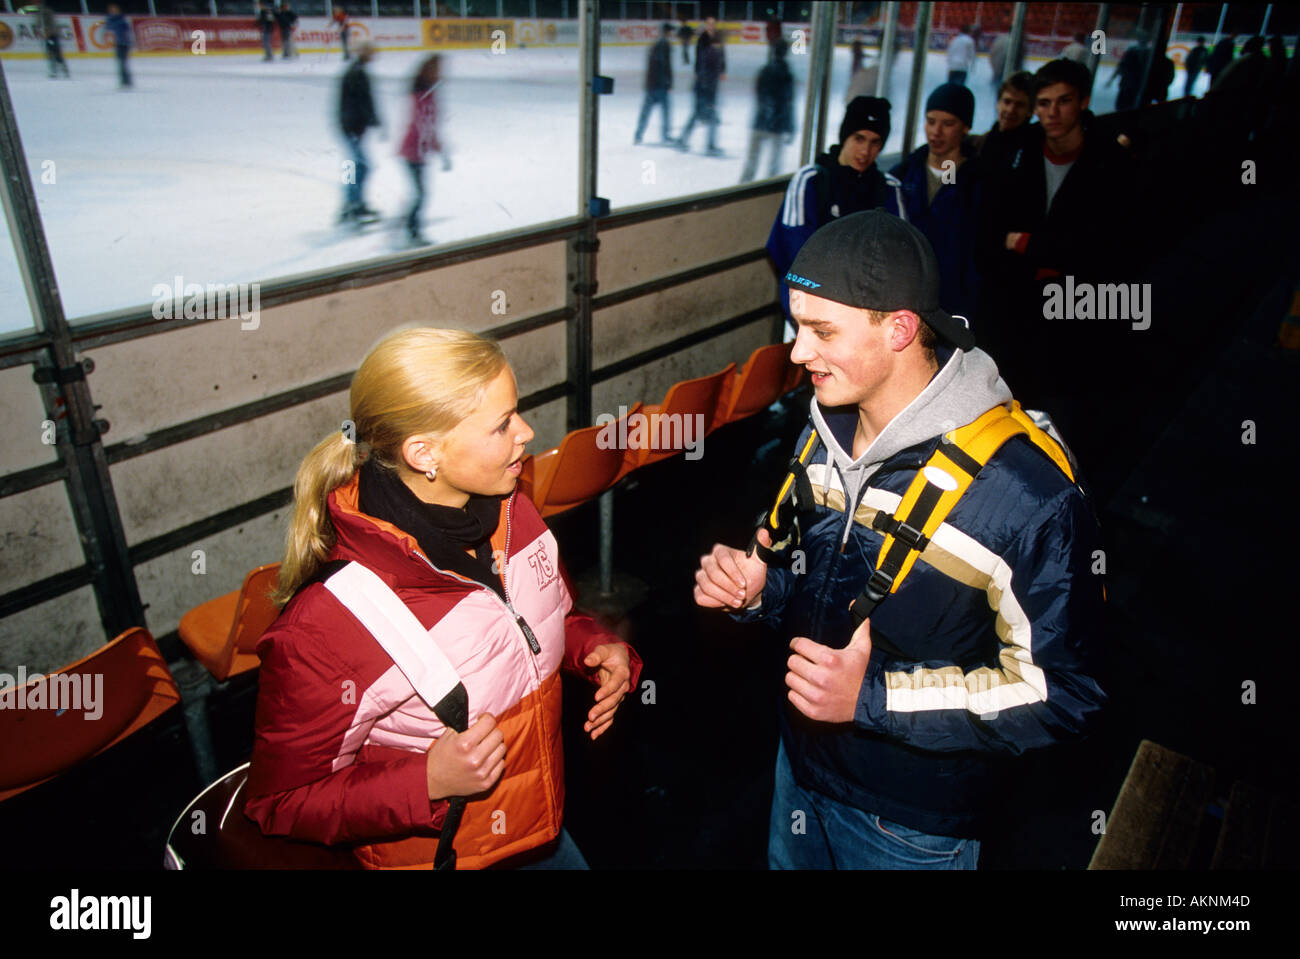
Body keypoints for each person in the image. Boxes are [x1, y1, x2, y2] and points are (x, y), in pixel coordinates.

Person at [694, 210, 1106, 870]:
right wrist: (757, 588)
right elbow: (815, 581)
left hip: (907, 822)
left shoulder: (1027, 495)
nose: (798, 352)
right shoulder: (822, 431)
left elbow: (1063, 691)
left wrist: (873, 699)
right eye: (797, 325)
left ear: (901, 328)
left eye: (821, 330)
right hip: (799, 766)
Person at [245, 327, 641, 870]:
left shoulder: (510, 505)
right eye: (502, 425)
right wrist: (425, 781)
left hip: (537, 826)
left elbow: (536, 618)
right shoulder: (328, 624)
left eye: (516, 413)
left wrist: (591, 647)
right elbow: (281, 803)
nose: (526, 432)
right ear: (423, 452)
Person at [978, 58, 1136, 453]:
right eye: (1044, 103)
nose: (1052, 113)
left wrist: (1030, 244)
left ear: (1083, 101)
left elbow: (1107, 247)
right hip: (1014, 307)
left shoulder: (1111, 162)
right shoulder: (1017, 149)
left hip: (1076, 312)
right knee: (1007, 407)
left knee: (1062, 417)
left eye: (1063, 101)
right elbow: (989, 232)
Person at [766, 96, 903, 331]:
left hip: (864, 310)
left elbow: (898, 253)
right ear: (845, 136)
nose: (865, 150)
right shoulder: (810, 181)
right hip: (811, 306)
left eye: (875, 142)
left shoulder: (889, 188)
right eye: (858, 139)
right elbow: (794, 252)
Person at [885, 83, 981, 322]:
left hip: (956, 305)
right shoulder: (902, 174)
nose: (936, 132)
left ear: (966, 127)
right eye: (930, 121)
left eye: (948, 124)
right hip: (905, 300)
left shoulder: (979, 182)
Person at [399, 55, 450, 246]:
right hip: (413, 150)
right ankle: (412, 232)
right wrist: (438, 148)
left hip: (417, 150)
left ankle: (410, 226)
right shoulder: (423, 93)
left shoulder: (427, 91)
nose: (441, 73)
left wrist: (439, 148)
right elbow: (424, 124)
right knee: (420, 194)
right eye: (438, 69)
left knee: (419, 192)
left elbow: (429, 125)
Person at [338, 43, 382, 226]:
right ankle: (351, 205)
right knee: (357, 166)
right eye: (371, 52)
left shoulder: (356, 71)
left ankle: (353, 204)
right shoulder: (357, 73)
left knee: (354, 166)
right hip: (352, 127)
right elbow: (361, 102)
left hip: (351, 127)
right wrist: (371, 120)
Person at [740, 38, 794, 183]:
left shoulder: (765, 70)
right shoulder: (786, 74)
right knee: (774, 164)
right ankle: (769, 189)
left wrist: (766, 113)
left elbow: (760, 95)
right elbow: (789, 102)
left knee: (753, 160)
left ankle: (742, 187)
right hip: (777, 124)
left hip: (762, 121)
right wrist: (790, 127)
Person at [676, 25, 725, 156]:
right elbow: (706, 75)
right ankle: (709, 145)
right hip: (704, 91)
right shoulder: (712, 54)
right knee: (704, 117)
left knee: (698, 116)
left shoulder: (711, 53)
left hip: (703, 91)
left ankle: (685, 140)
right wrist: (709, 95)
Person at [971, 70, 1035, 170]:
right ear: (998, 104)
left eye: (1019, 105)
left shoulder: (1033, 149)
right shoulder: (978, 144)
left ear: (1030, 111)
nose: (1010, 110)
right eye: (1007, 102)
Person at [634, 23, 673, 145]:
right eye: (670, 31)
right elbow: (664, 66)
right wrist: (667, 83)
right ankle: (664, 135)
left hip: (653, 84)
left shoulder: (656, 45)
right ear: (666, 32)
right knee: (664, 111)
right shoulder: (664, 45)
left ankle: (638, 135)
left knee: (647, 111)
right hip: (658, 85)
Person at [1109, 34, 1149, 112]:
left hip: (1128, 86)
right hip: (1136, 87)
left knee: (1122, 106)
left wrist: (1111, 79)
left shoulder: (1133, 52)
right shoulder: (1147, 54)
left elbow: (1120, 67)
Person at [36, 1, 70, 79]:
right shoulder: (39, 12)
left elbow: (51, 23)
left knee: (56, 53)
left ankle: (64, 70)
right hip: (47, 36)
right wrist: (40, 32)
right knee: (50, 53)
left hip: (52, 35)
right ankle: (54, 71)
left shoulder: (47, 12)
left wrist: (48, 33)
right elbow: (39, 24)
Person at [104, 4, 132, 89]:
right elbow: (108, 28)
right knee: (121, 63)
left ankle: (126, 81)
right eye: (112, 9)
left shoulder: (121, 19)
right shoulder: (111, 19)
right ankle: (125, 80)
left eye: (115, 9)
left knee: (123, 63)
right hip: (118, 43)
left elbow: (127, 29)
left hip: (124, 43)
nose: (113, 11)